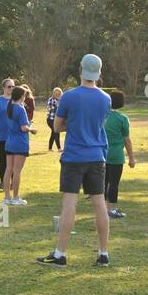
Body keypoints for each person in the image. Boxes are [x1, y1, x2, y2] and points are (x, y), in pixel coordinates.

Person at [39, 55, 112, 268]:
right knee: (99, 204)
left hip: (74, 156)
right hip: (97, 156)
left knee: (70, 203)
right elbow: (99, 124)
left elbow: (57, 126)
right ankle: (103, 253)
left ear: (80, 70)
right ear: (98, 72)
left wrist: (72, 126)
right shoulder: (105, 99)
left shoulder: (69, 97)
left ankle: (60, 254)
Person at [104, 90, 135, 219]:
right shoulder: (123, 119)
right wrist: (131, 158)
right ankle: (112, 209)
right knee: (114, 183)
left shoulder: (103, 117)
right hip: (116, 156)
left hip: (101, 154)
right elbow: (127, 140)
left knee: (103, 183)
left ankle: (102, 208)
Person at [2, 85, 33, 205]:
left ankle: (7, 197)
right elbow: (24, 128)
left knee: (8, 169)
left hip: (10, 142)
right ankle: (15, 198)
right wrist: (32, 129)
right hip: (20, 143)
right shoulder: (20, 109)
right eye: (24, 95)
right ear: (21, 96)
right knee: (17, 171)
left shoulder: (9, 105)